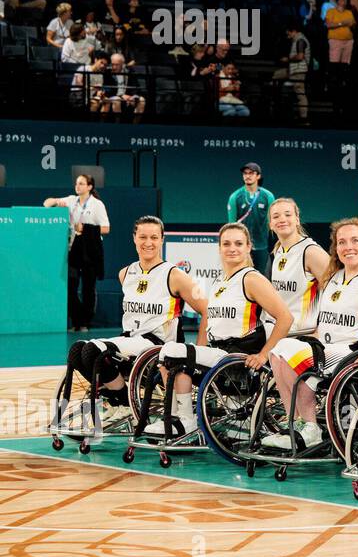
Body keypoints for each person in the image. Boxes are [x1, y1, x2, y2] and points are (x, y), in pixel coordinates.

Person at [264, 218, 358, 450]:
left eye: (355, 241)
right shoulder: (333, 278)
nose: (348, 247)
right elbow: (326, 324)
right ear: (336, 248)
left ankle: (311, 428)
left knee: (290, 353)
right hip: (326, 347)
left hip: (352, 352)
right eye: (342, 242)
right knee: (278, 351)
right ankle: (296, 424)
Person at [145, 223, 294, 437]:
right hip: (218, 352)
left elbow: (285, 318)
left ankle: (186, 420)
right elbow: (210, 323)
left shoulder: (251, 279)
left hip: (236, 355)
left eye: (238, 243)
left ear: (248, 247)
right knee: (173, 356)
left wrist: (263, 355)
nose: (232, 248)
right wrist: (197, 352)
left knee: (171, 350)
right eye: (226, 244)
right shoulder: (219, 281)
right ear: (219, 248)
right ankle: (176, 417)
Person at [60, 215, 204, 430]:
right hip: (130, 340)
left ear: (162, 240)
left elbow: (206, 310)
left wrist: (198, 352)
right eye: (143, 237)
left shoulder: (175, 275)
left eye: (154, 237)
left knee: (92, 351)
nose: (148, 242)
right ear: (134, 238)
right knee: (76, 351)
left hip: (157, 344)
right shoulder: (125, 273)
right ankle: (118, 398)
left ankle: (124, 403)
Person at [44, 174, 111, 331]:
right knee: (70, 287)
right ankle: (77, 320)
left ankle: (85, 322)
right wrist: (56, 202)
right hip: (74, 250)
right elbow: (46, 203)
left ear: (89, 187)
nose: (77, 186)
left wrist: (85, 228)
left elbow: (106, 228)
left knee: (88, 288)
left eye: (81, 183)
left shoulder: (97, 204)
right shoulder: (71, 200)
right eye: (76, 183)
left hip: (90, 250)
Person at [264, 199, 330, 340]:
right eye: (276, 216)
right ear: (271, 224)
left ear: (297, 220)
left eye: (288, 214)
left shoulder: (311, 252)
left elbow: (338, 294)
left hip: (300, 335)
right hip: (275, 332)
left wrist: (321, 330)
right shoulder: (277, 251)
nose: (282, 219)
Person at [226, 163, 276, 274]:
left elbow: (273, 222)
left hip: (262, 246)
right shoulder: (235, 197)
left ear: (258, 176)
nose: (247, 176)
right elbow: (231, 226)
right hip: (241, 247)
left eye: (251, 173)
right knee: (240, 274)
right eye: (245, 173)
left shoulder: (268, 196)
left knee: (260, 276)